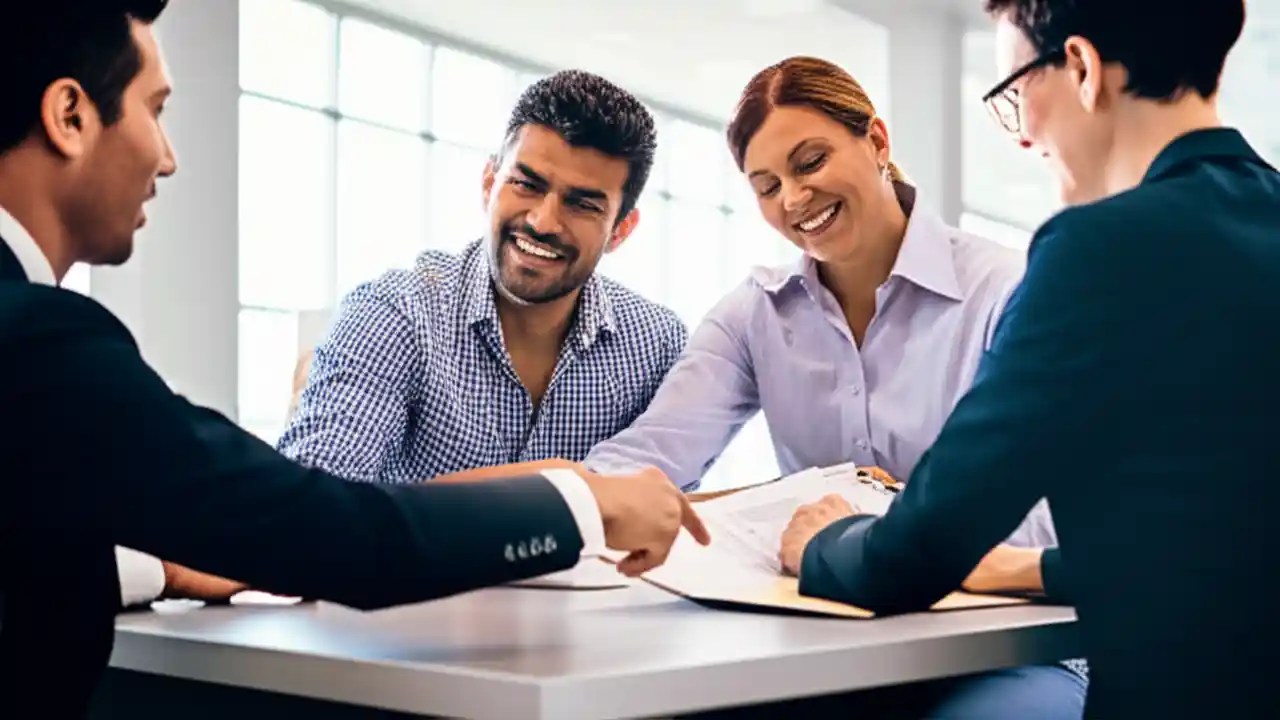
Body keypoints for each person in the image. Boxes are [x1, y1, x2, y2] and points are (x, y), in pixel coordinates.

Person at [0, 3, 707, 716]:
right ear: (68, 115)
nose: (169, 154)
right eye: (155, 110)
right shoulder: (43, 344)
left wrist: (165, 563)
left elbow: (43, 540)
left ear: (622, 228)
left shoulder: (37, 338)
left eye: (582, 202)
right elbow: (328, 528)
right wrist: (579, 495)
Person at [780, 1, 1278, 717]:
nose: (1022, 138)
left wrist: (824, 540)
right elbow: (1218, 533)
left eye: (1014, 93)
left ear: (1080, 67)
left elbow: (915, 553)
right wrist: (1023, 566)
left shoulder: (1097, 249)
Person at [585, 56, 1083, 718]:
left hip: (1004, 651)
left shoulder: (1004, 290)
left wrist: (852, 531)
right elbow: (645, 461)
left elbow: (1031, 522)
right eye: (766, 186)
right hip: (831, 650)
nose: (793, 198)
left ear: (876, 141)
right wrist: (563, 507)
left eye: (810, 161)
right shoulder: (752, 316)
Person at [276, 69, 688, 486]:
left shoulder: (658, 344)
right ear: (490, 184)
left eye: (582, 205)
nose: (543, 221)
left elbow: (667, 510)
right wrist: (562, 487)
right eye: (526, 184)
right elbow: (313, 511)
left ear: (621, 229)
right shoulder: (396, 314)